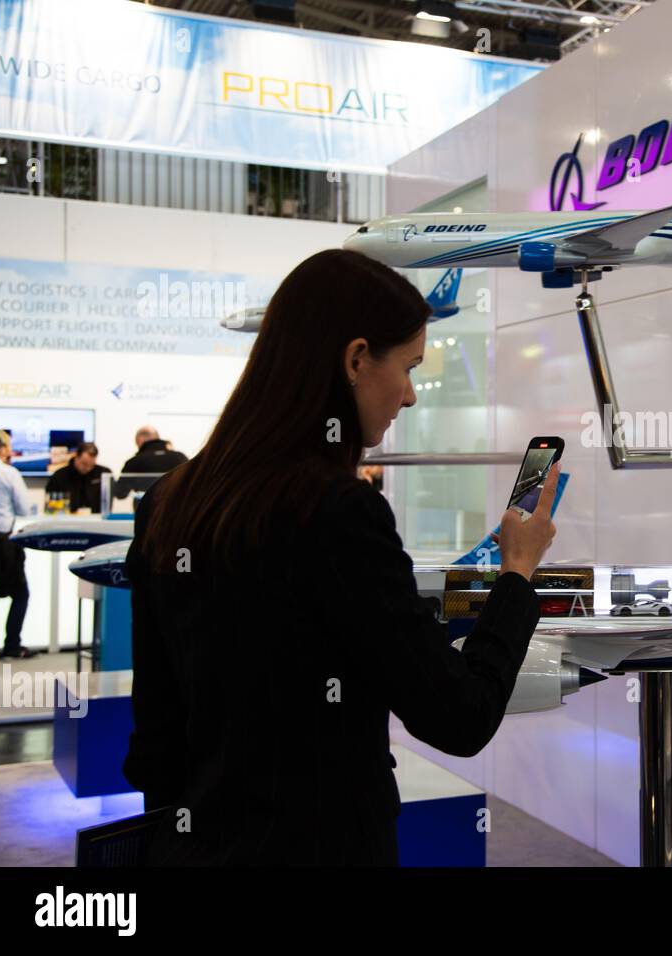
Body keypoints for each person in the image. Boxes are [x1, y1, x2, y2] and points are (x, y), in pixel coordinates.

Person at [123, 248, 557, 865]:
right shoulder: (336, 511)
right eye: (407, 368)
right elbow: (459, 717)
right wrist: (515, 576)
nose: (409, 397)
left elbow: (156, 736)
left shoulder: (170, 500)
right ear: (356, 359)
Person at [0, 430, 36, 659]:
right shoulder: (8, 472)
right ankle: (13, 644)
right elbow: (24, 508)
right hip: (4, 541)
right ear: (0, 449)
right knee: (20, 593)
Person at [113, 426, 188, 499]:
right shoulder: (180, 457)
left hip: (145, 509)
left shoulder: (135, 461)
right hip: (175, 507)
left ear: (140, 440)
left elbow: (120, 493)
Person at [44, 441, 111, 513]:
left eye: (91, 465)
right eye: (84, 464)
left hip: (96, 520)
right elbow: (51, 508)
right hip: (67, 521)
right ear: (76, 456)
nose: (88, 468)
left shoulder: (103, 474)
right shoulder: (59, 476)